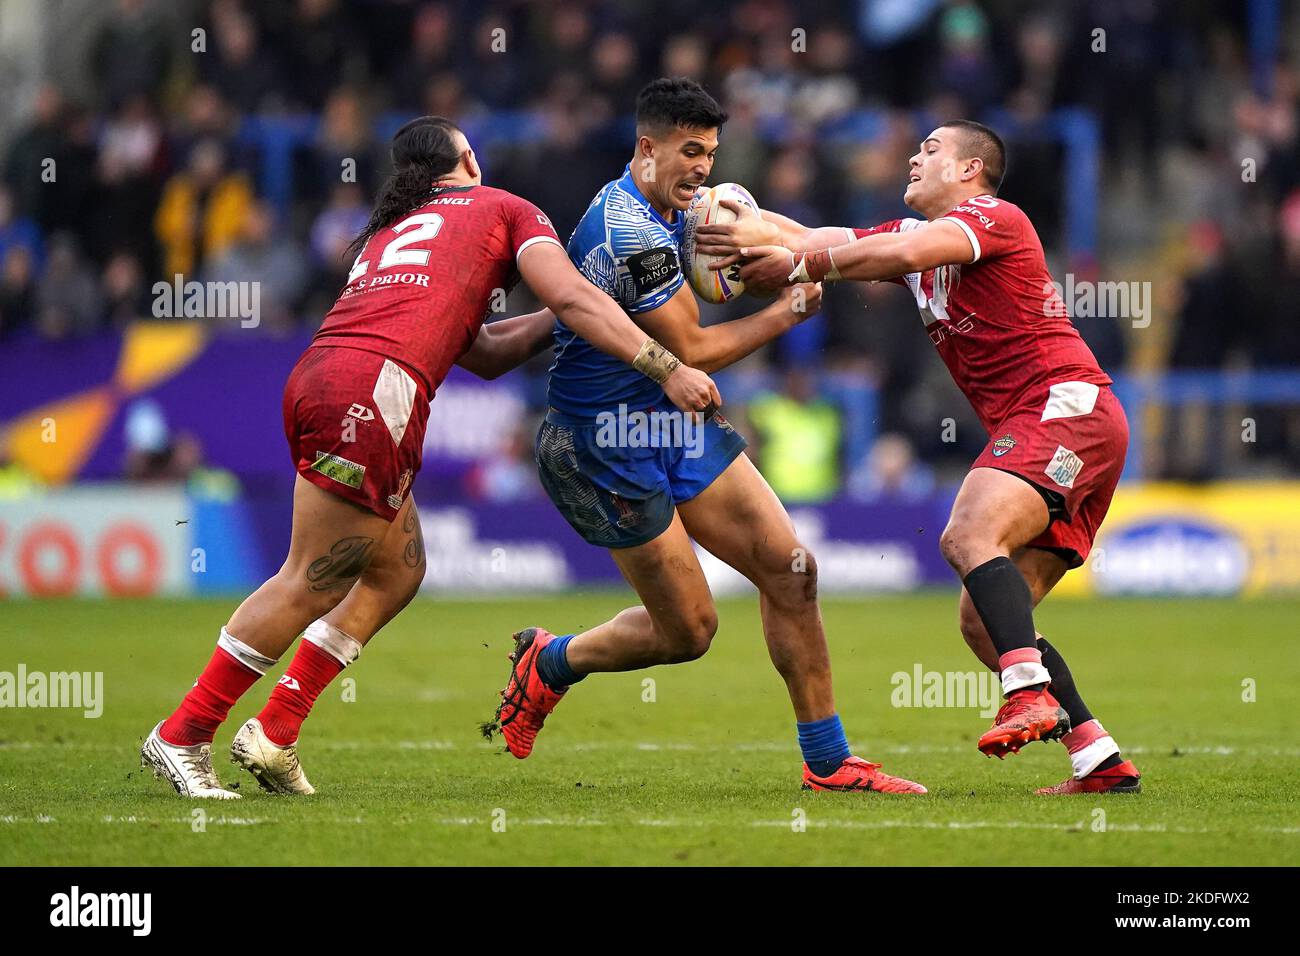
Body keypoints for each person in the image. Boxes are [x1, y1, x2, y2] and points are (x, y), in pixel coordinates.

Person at [141, 116, 720, 799]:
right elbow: (566, 293)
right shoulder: (506, 207)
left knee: (397, 571)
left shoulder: (399, 230)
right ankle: (184, 732)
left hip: (325, 376)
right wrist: (663, 365)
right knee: (310, 578)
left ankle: (275, 730)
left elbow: (491, 353)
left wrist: (579, 310)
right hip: (373, 391)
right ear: (466, 160)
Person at [486, 78, 927, 796]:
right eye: (689, 152)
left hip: (674, 422)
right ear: (646, 147)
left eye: (710, 152)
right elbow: (690, 346)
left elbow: (770, 241)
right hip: (606, 442)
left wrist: (805, 258)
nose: (701, 167)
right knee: (689, 632)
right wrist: (786, 312)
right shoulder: (625, 228)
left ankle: (829, 761)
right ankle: (552, 661)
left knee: (792, 571)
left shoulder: (691, 201)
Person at [700, 120, 1140, 795]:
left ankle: (1027, 693)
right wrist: (747, 223)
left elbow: (883, 257)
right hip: (1063, 427)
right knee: (983, 620)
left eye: (931, 149)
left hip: (1064, 409)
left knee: (968, 533)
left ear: (970, 171)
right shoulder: (920, 242)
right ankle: (1099, 758)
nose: (913, 155)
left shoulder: (992, 216)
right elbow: (824, 240)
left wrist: (796, 265)